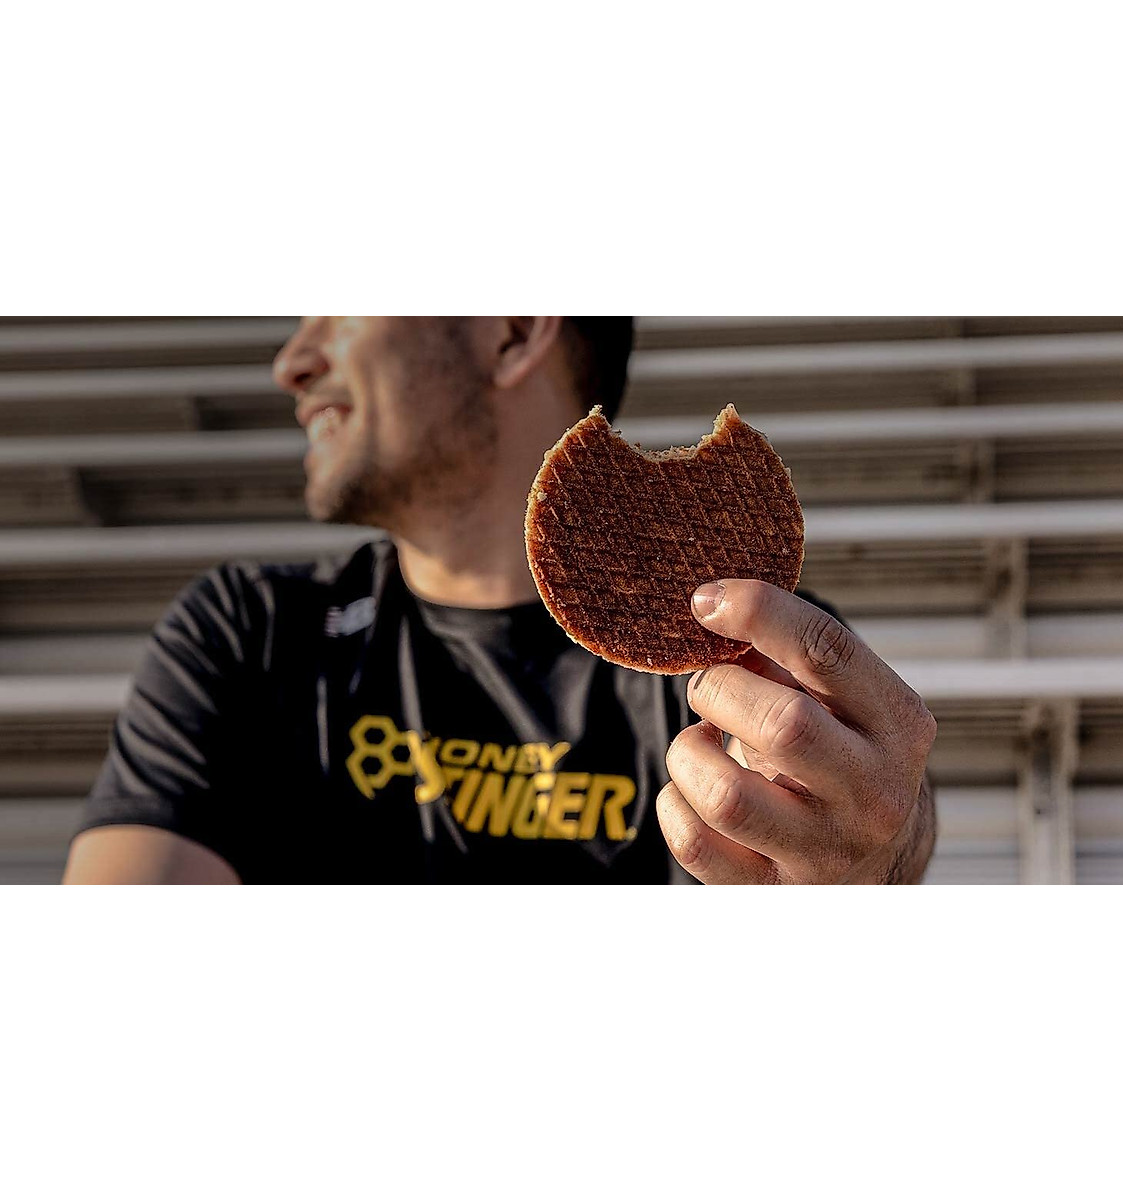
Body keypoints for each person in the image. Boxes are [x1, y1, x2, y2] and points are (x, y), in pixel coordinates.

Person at [63, 317, 937, 884]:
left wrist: (874, 853)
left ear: (512, 332)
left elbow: (856, 824)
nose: (292, 362)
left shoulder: (734, 648)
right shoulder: (247, 634)